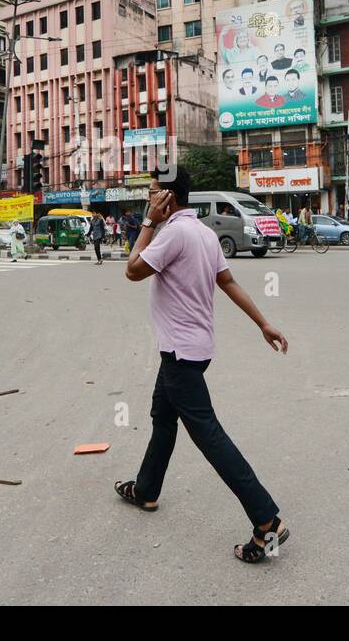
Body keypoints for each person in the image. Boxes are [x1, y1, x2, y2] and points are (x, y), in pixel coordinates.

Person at [114, 166, 290, 564]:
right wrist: (263, 323)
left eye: (153, 193)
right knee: (162, 417)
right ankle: (146, 489)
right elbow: (227, 282)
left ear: (168, 198)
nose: (149, 199)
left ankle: (267, 522)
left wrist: (146, 223)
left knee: (210, 437)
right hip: (191, 350)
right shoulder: (205, 233)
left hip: (180, 354)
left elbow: (132, 270)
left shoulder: (173, 232)